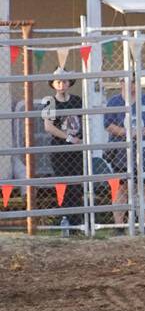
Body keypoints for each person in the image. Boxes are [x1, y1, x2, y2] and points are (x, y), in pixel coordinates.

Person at [104, 75, 145, 231]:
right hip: (121, 152)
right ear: (120, 83)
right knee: (121, 188)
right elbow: (108, 125)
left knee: (142, 187)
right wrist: (126, 132)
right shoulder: (113, 102)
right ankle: (119, 226)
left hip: (144, 151)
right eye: (125, 81)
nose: (129, 85)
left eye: (133, 82)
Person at [42, 68, 85, 230]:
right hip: (60, 148)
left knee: (76, 184)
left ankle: (76, 220)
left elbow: (84, 120)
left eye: (65, 81)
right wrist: (68, 138)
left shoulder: (77, 100)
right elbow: (49, 126)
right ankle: (64, 217)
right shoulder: (49, 101)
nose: (62, 84)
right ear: (53, 84)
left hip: (76, 149)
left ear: (69, 83)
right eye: (58, 81)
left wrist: (81, 139)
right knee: (62, 183)